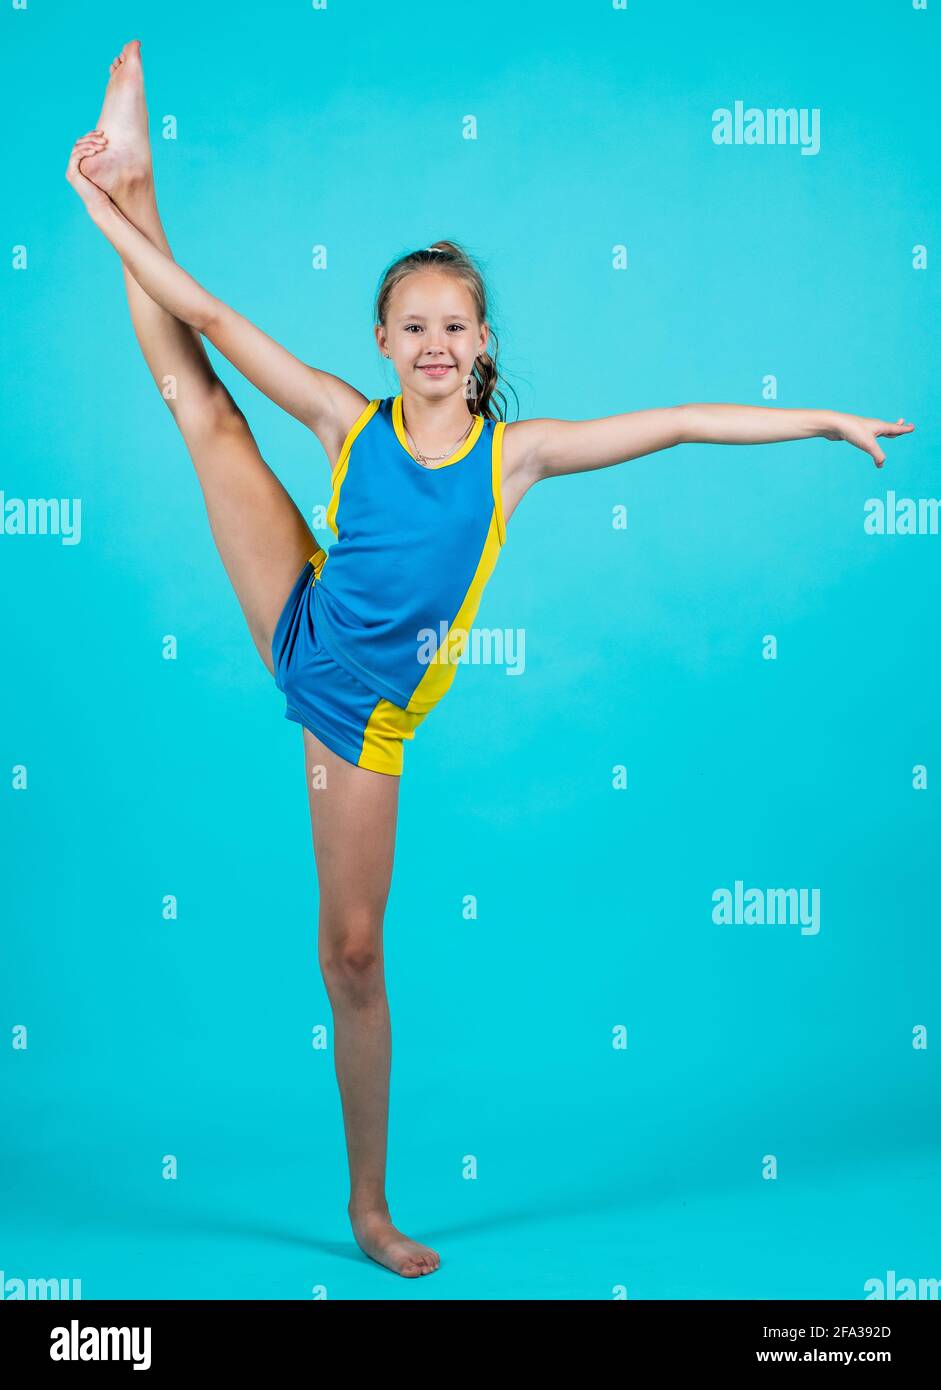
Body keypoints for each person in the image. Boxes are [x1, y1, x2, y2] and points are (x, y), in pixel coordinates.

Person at [66, 40, 914, 1280]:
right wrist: (106, 209)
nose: (430, 340)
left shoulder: (512, 458)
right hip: (296, 618)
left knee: (352, 954)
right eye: (409, 323)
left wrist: (821, 417)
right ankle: (142, 171)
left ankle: (367, 1206)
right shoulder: (343, 419)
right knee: (199, 401)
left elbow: (679, 422)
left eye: (452, 324)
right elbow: (204, 317)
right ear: (380, 335)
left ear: (478, 345)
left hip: (362, 719)